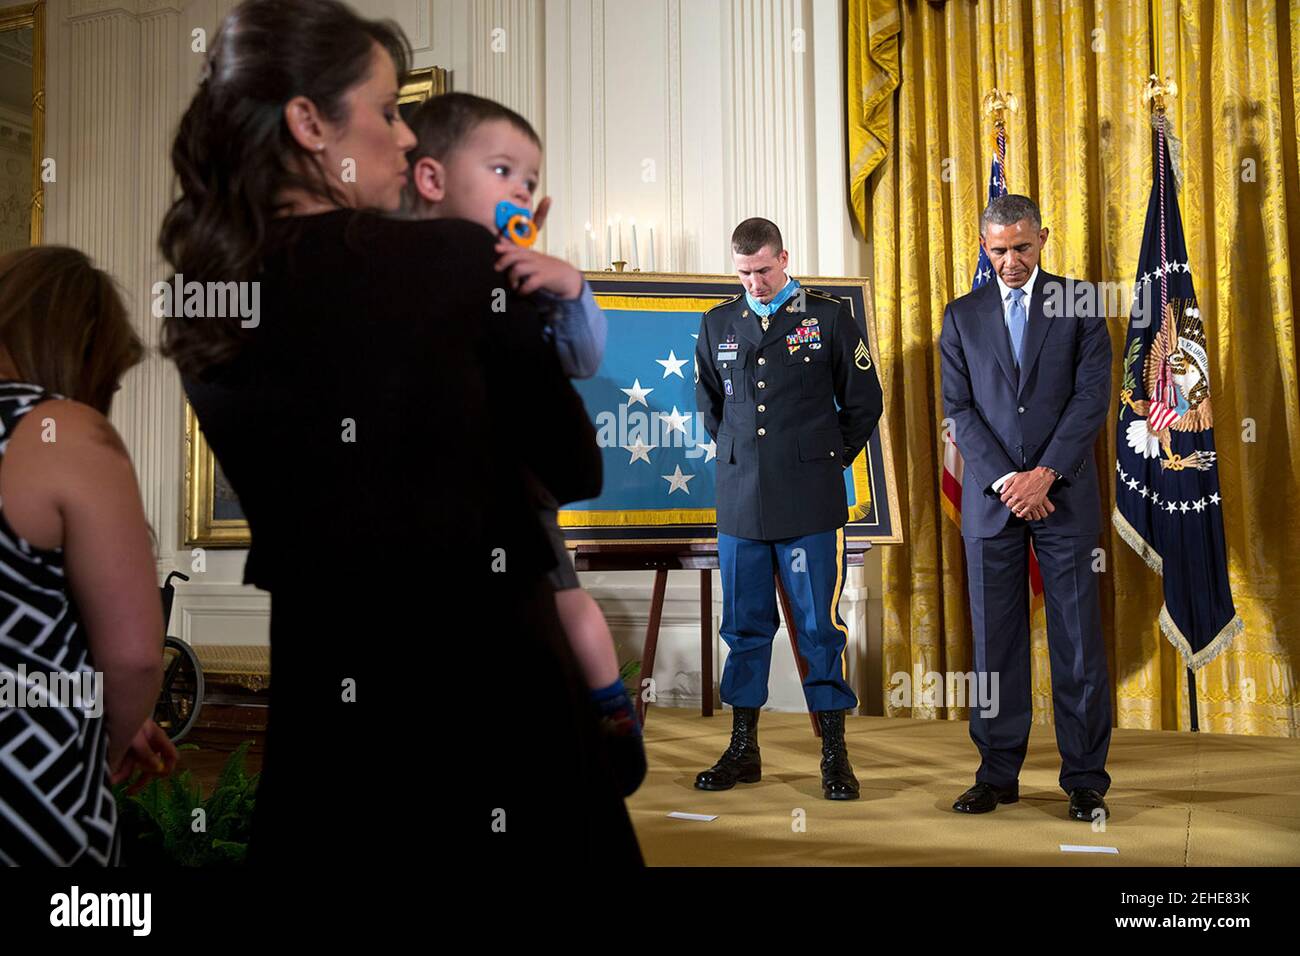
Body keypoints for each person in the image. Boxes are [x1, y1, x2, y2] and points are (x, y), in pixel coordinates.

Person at [158, 0, 642, 865]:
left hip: (325, 705)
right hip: (494, 686)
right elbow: (574, 467)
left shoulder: (202, 312)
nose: (409, 140)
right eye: (386, 112)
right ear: (311, 124)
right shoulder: (455, 259)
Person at [402, 91, 644, 797]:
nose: (521, 190)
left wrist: (570, 289)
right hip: (434, 500)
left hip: (518, 488)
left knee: (563, 599)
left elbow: (582, 360)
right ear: (431, 179)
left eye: (530, 181)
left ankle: (609, 709)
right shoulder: (402, 268)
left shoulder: (526, 275)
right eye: (503, 170)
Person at [692, 218, 883, 800]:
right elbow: (709, 406)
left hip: (809, 505)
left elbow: (863, 403)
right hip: (741, 504)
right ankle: (743, 749)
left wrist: (821, 460)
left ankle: (834, 755)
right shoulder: (717, 323)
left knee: (818, 629)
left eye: (764, 270)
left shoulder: (826, 318)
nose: (754, 281)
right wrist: (743, 459)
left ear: (785, 258)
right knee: (744, 627)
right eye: (744, 272)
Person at [0, 246, 177, 865]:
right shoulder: (64, 429)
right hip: (28, 800)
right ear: (84, 354)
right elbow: (132, 658)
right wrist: (101, 739)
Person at [938, 193, 1113, 821]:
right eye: (998, 250)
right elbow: (958, 409)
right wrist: (1009, 481)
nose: (1011, 261)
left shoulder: (1081, 303)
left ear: (1043, 237)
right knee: (994, 646)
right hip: (992, 503)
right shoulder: (961, 316)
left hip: (1062, 499)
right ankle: (996, 772)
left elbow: (1094, 398)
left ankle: (1086, 779)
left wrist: (1043, 476)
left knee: (1077, 645)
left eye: (1022, 247)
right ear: (983, 248)